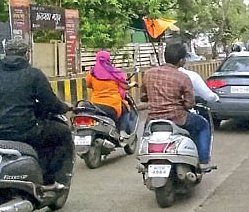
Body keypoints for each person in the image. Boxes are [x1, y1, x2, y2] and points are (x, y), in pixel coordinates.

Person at [0, 38, 73, 190]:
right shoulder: (34, 74)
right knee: (62, 133)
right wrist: (64, 107)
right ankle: (48, 181)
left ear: (5, 54)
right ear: (26, 55)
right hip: (23, 132)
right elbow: (50, 103)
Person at [141, 42, 213, 171]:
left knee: (146, 135)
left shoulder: (148, 74)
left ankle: (143, 159)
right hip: (178, 118)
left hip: (153, 119)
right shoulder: (183, 77)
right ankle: (203, 160)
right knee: (203, 125)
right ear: (181, 60)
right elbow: (189, 103)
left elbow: (143, 97)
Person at [85, 50, 134, 136]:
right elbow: (126, 86)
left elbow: (88, 85)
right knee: (126, 110)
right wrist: (133, 84)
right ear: (108, 59)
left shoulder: (92, 73)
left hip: (95, 104)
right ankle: (122, 131)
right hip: (113, 105)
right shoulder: (115, 73)